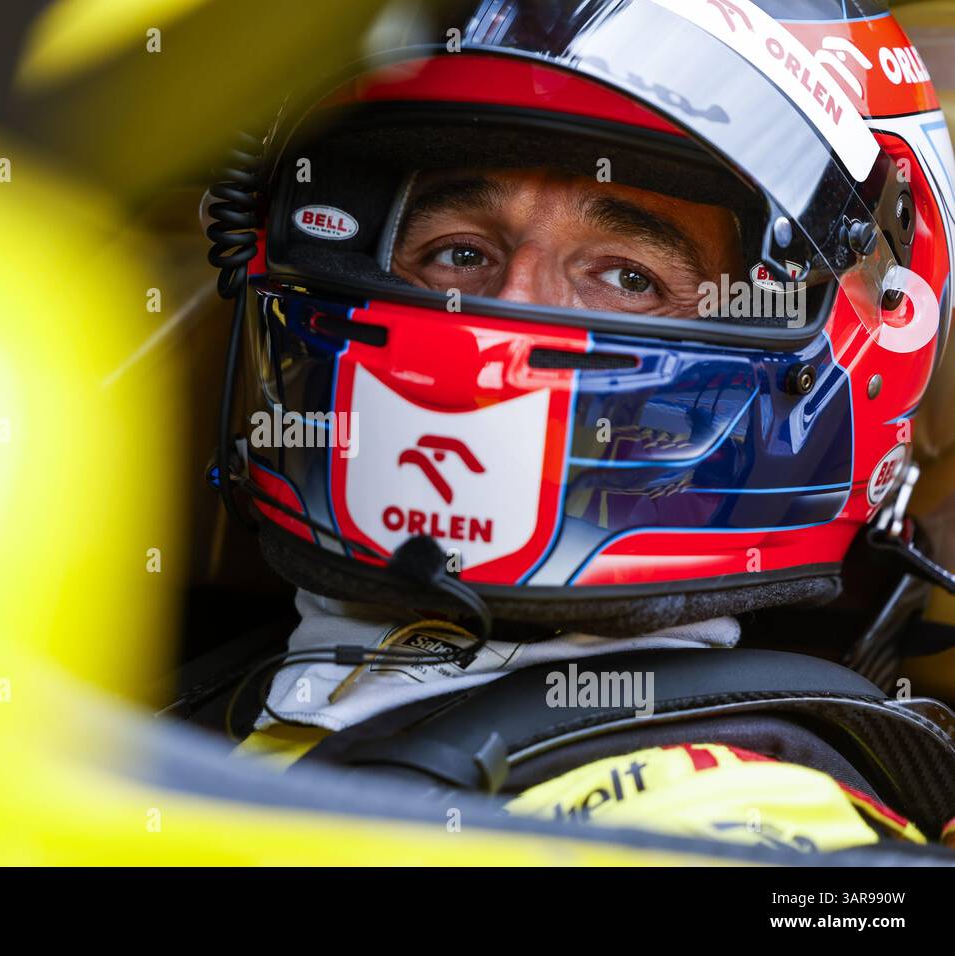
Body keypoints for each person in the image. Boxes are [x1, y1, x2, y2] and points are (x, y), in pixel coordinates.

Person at [195, 0, 955, 854]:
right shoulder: (189, 688)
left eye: (627, 276)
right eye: (459, 252)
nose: (501, 314)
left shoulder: (733, 820)